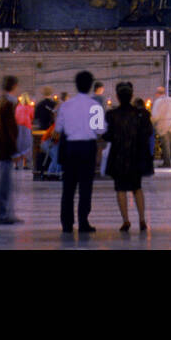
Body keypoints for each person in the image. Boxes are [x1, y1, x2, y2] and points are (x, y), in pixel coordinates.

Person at [54, 70, 104, 235]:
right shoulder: (94, 106)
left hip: (70, 148)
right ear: (90, 86)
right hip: (87, 148)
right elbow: (100, 129)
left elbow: (58, 128)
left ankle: (67, 224)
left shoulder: (66, 105)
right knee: (85, 187)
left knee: (68, 188)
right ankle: (83, 222)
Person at [103, 82, 152, 232]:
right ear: (131, 96)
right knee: (137, 188)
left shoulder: (112, 115)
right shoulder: (142, 114)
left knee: (120, 189)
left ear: (117, 97)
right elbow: (148, 133)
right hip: (136, 156)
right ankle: (142, 219)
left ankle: (125, 221)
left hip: (119, 156)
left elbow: (108, 135)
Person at [0, 74, 21, 225]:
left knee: (7, 184)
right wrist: (14, 150)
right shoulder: (8, 105)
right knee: (4, 184)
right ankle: (0, 215)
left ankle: (6, 213)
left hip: (4, 148)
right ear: (14, 86)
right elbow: (9, 130)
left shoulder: (3, 102)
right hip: (6, 149)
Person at [151, 86, 171, 168]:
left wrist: (152, 122)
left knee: (165, 145)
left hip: (163, 125)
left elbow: (155, 115)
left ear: (157, 93)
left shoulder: (158, 102)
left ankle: (167, 163)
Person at [33, 86, 56, 174]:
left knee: (41, 149)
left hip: (42, 129)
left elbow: (36, 117)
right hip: (52, 130)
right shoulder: (54, 104)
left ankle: (39, 167)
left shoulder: (40, 104)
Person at [14, 93, 34, 170]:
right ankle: (25, 164)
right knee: (27, 145)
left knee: (18, 145)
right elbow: (32, 117)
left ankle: (16, 165)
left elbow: (15, 117)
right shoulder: (30, 107)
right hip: (27, 126)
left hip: (18, 127)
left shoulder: (18, 107)